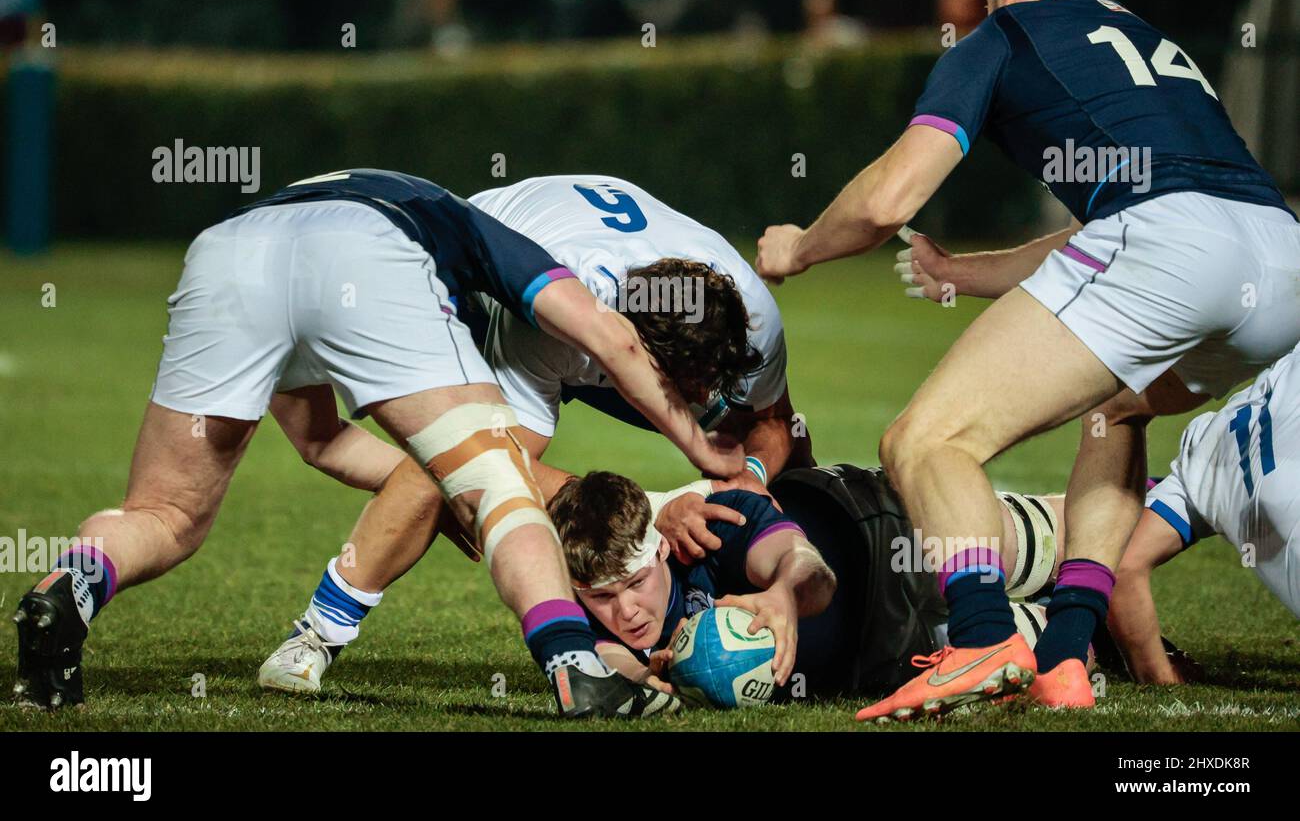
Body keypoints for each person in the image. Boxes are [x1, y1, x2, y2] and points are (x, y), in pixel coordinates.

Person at [754, 0, 1300, 720]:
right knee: (1116, 411)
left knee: (927, 441)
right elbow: (1144, 226)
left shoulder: (1002, 35)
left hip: (1167, 245)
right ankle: (1066, 656)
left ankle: (979, 639)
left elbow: (889, 198)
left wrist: (799, 247)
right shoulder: (1155, 45)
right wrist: (960, 272)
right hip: (1279, 259)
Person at [13, 168, 742, 718]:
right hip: (367, 255)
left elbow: (323, 442)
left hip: (228, 254)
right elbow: (612, 338)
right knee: (500, 488)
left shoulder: (331, 200)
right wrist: (700, 449)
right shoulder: (490, 236)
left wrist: (443, 477)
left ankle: (70, 584)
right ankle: (575, 667)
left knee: (165, 514)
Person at [257, 174, 810, 694]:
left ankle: (798, 598)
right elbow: (497, 464)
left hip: (601, 279)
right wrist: (655, 506)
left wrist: (744, 482)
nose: (695, 403)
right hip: (489, 292)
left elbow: (772, 424)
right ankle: (319, 632)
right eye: (679, 390)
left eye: (705, 384)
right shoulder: (554, 322)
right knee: (459, 455)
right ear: (631, 355)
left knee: (785, 449)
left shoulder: (748, 318)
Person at [550, 465, 1064, 707]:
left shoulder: (710, 528)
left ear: (661, 548)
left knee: (1064, 539)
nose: (626, 611)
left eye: (636, 583)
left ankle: (1148, 492)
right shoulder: (570, 610)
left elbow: (809, 569)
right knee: (1056, 648)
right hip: (891, 656)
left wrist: (782, 596)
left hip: (882, 533)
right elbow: (596, 665)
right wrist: (645, 672)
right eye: (601, 597)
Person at [1109, 342, 1300, 683]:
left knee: (1095, 536)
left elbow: (1122, 567)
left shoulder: (1203, 456)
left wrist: (1157, 672)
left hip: (1215, 461)